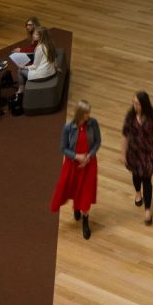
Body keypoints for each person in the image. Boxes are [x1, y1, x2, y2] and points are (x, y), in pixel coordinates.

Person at [50, 99, 101, 239]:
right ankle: (76, 207)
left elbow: (97, 141)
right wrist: (77, 156)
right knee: (72, 188)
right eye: (86, 113)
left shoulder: (93, 123)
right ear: (79, 114)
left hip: (89, 165)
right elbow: (63, 148)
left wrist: (89, 156)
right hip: (73, 164)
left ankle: (85, 220)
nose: (88, 116)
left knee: (86, 192)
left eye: (88, 113)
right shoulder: (68, 127)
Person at [122, 89, 153, 225]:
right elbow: (125, 135)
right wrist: (122, 153)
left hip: (148, 152)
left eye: (138, 104)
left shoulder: (152, 115)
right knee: (136, 176)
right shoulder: (130, 116)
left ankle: (147, 209)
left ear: (144, 104)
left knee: (147, 180)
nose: (135, 106)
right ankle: (137, 192)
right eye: (134, 103)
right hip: (134, 151)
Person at [6, 25, 57, 110]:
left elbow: (35, 66)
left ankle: (21, 90)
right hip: (51, 72)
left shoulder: (39, 48)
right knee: (25, 68)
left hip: (42, 75)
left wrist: (24, 67)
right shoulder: (50, 44)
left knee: (19, 70)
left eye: (36, 35)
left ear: (41, 37)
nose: (33, 35)